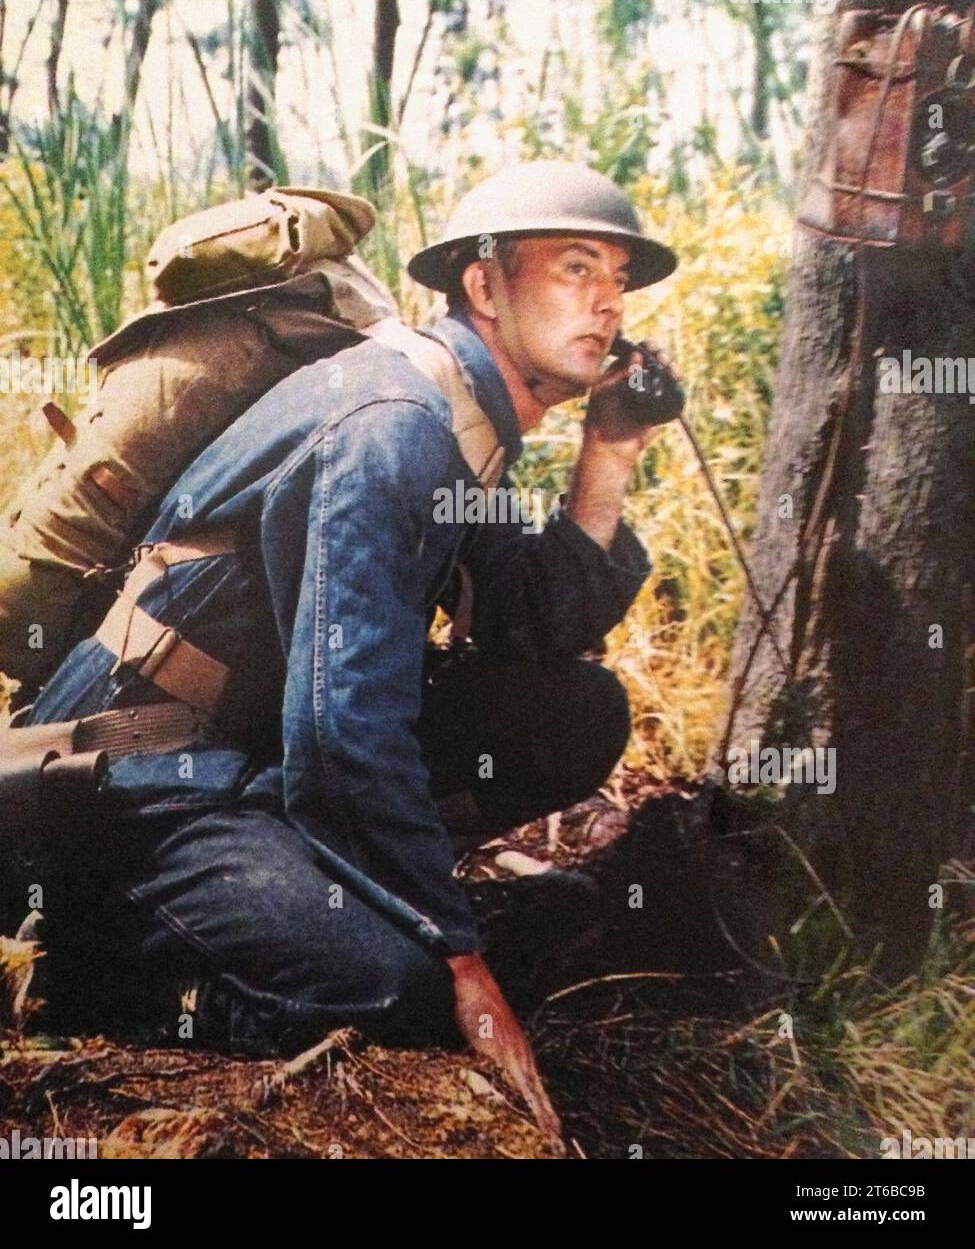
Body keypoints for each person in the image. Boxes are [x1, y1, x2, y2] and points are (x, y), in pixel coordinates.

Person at [14, 160, 678, 1146]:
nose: (608, 301)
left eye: (618, 279)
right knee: (394, 987)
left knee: (572, 713)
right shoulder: (393, 423)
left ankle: (327, 895)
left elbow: (529, 623)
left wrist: (611, 449)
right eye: (575, 268)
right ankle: (83, 960)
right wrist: (457, 956)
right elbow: (342, 731)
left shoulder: (460, 418)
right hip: (139, 771)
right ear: (483, 285)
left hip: (256, 753)